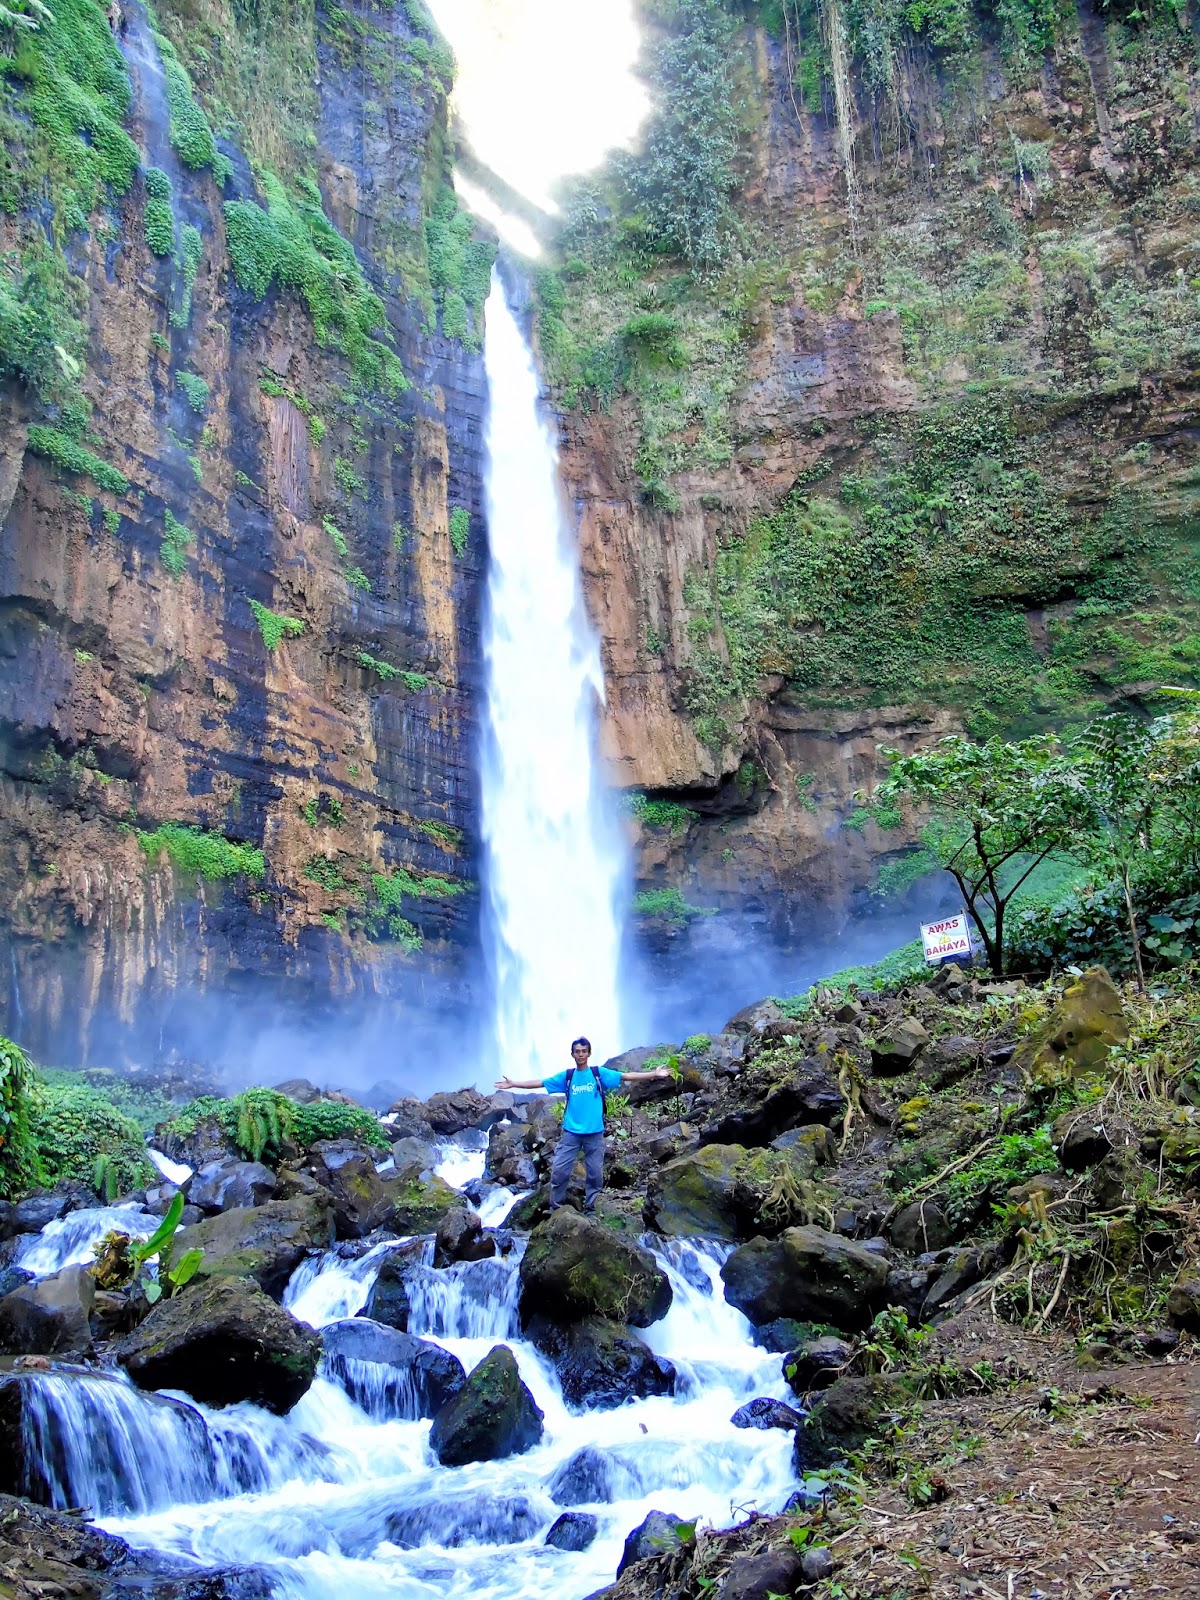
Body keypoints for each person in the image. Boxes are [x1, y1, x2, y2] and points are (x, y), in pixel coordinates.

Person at [496, 1037, 673, 1214]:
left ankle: (590, 1208)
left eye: (583, 1051)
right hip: (571, 1133)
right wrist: (514, 1084)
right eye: (577, 1051)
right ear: (572, 1054)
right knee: (559, 1170)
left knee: (595, 1174)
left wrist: (654, 1074)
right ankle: (555, 1206)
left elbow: (626, 1076)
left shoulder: (598, 1073)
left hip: (594, 1133)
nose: (580, 1054)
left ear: (588, 1053)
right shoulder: (568, 1076)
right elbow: (541, 1082)